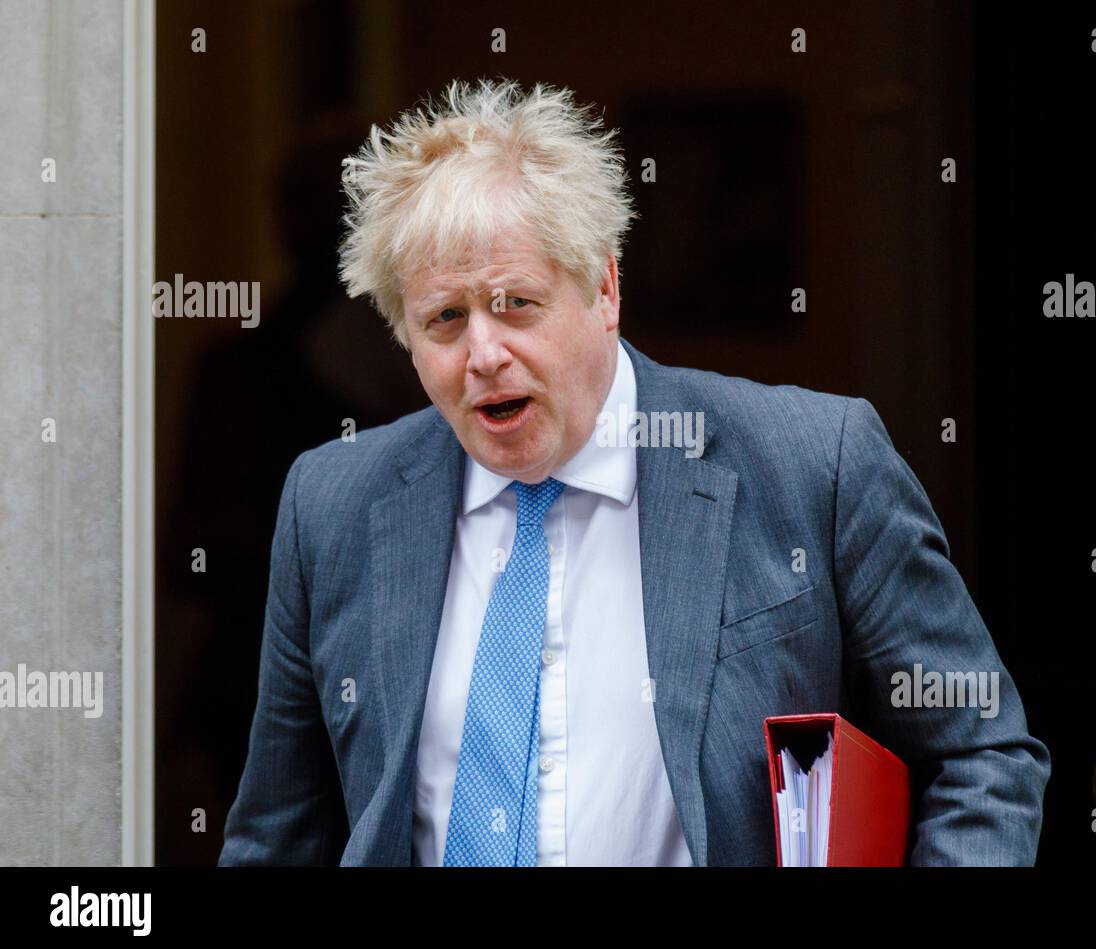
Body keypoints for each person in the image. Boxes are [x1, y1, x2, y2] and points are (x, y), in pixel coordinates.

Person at [218, 77, 1049, 867]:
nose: (483, 354)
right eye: (444, 319)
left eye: (516, 302)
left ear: (606, 287)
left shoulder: (812, 463)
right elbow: (276, 835)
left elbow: (982, 755)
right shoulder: (332, 508)